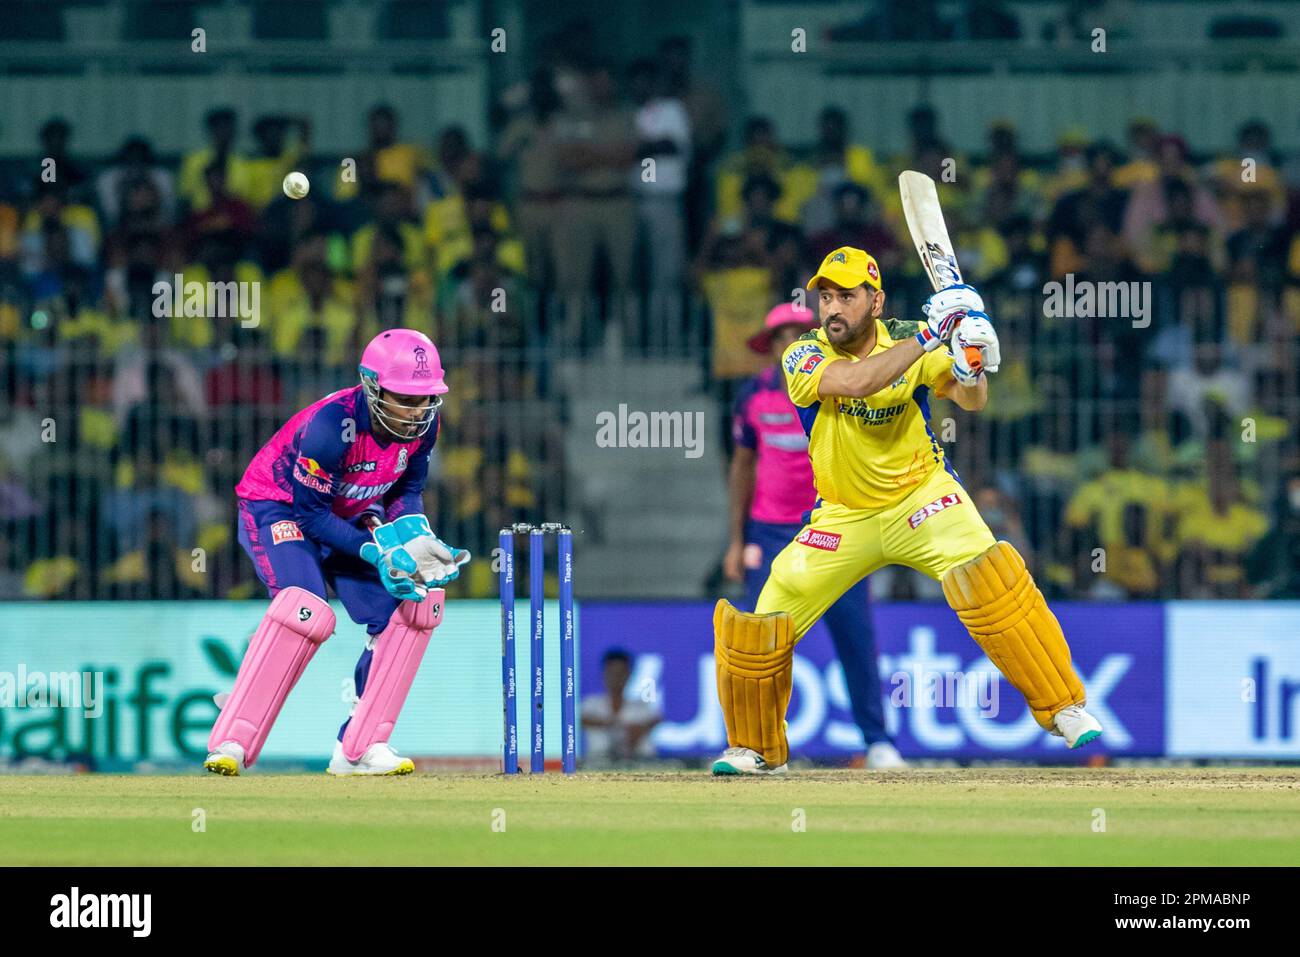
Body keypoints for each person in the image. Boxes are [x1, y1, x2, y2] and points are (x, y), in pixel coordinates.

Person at [710, 246, 1103, 775]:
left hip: (923, 498)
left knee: (993, 580)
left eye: (846, 297)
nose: (832, 308)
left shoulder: (916, 335)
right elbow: (856, 382)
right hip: (843, 517)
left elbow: (974, 400)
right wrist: (930, 337)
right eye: (825, 296)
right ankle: (756, 748)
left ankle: (1065, 708)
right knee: (760, 622)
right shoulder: (803, 353)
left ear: (876, 301)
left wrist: (969, 364)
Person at [206, 329, 470, 776]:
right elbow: (311, 518)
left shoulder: (424, 426)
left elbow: (407, 490)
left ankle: (360, 747)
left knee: (412, 609)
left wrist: (414, 535)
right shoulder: (332, 426)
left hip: (349, 510)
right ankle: (233, 738)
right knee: (304, 608)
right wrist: (376, 552)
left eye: (426, 399)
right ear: (372, 386)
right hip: (279, 507)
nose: (417, 411)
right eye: (405, 398)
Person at [725, 303, 904, 768]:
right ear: (771, 346)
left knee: (855, 636)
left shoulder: (838, 383)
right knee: (763, 640)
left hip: (834, 525)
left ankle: (877, 741)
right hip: (768, 534)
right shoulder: (753, 395)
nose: (789, 343)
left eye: (796, 333)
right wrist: (735, 539)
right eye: (780, 336)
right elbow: (742, 467)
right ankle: (762, 746)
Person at [580, 649, 661, 766]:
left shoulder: (641, 706)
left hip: (640, 763)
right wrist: (610, 724)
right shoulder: (591, 703)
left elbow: (656, 719)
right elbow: (578, 720)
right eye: (612, 672)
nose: (616, 677)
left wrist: (639, 729)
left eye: (621, 672)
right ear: (605, 673)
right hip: (598, 763)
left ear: (629, 674)